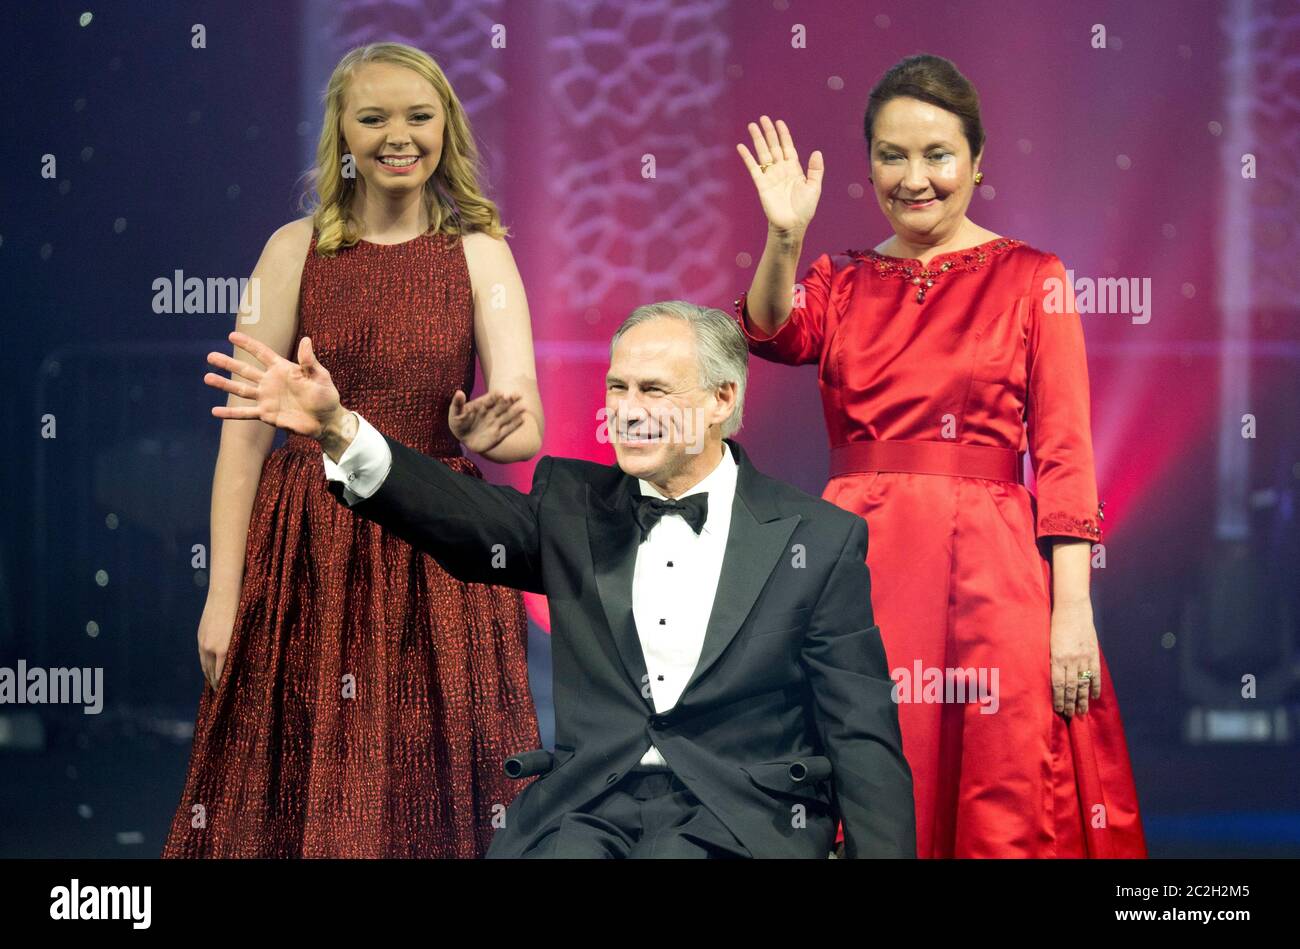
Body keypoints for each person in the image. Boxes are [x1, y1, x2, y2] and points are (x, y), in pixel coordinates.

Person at [200, 300, 917, 859]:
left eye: (655, 390)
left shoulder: (815, 538)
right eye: (618, 387)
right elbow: (463, 517)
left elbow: (862, 733)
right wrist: (340, 432)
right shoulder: (574, 504)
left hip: (737, 817)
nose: (628, 409)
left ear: (721, 401)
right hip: (590, 808)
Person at [733, 53, 1146, 857]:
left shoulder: (1034, 276)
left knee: (1000, 783)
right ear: (869, 164)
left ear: (978, 161)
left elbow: (1064, 455)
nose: (914, 177)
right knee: (863, 769)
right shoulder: (842, 279)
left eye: (937, 155)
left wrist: (1073, 611)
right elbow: (770, 330)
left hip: (991, 573)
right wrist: (785, 237)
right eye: (892, 155)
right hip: (856, 563)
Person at [164, 42, 545, 858]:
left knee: (427, 784)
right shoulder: (291, 250)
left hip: (435, 548)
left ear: (447, 126)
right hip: (306, 548)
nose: (397, 136)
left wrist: (487, 429)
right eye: (373, 117)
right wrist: (222, 593)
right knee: (297, 779)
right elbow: (242, 441)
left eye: (418, 115)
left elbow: (528, 423)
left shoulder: (480, 252)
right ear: (342, 133)